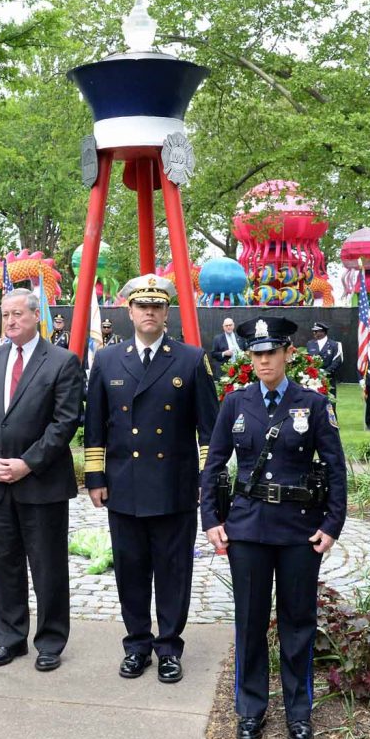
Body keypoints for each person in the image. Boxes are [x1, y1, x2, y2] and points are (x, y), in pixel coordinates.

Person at [200, 316, 347, 739]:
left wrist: (332, 523)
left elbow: (335, 469)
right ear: (251, 357)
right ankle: (250, 709)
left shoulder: (314, 404)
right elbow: (213, 466)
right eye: (258, 354)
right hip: (246, 529)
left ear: (287, 354)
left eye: (271, 353)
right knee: (248, 621)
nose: (264, 361)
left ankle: (298, 713)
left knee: (297, 623)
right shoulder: (234, 403)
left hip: (300, 531)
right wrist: (211, 519)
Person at [84, 275, 219, 683]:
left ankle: (169, 647)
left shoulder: (191, 359)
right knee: (131, 568)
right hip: (124, 484)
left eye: (157, 307)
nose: (149, 313)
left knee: (174, 569)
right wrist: (95, 475)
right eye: (141, 306)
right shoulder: (107, 360)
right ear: (128, 311)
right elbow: (94, 425)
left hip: (174, 484)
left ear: (166, 313)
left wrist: (205, 480)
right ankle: (137, 644)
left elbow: (208, 430)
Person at [0, 288, 82, 672]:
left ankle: (50, 641)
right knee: (5, 563)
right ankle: (10, 639)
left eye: (17, 314)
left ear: (36, 316)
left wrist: (26, 463)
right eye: (5, 314)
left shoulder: (63, 362)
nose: (10, 321)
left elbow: (65, 422)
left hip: (41, 483)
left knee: (47, 567)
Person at [306, 322, 343, 405]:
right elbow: (307, 360)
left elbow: (337, 361)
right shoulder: (310, 344)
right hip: (313, 380)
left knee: (330, 405)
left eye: (316, 331)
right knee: (314, 404)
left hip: (328, 379)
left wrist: (324, 372)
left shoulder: (334, 345)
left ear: (323, 332)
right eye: (314, 331)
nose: (314, 333)